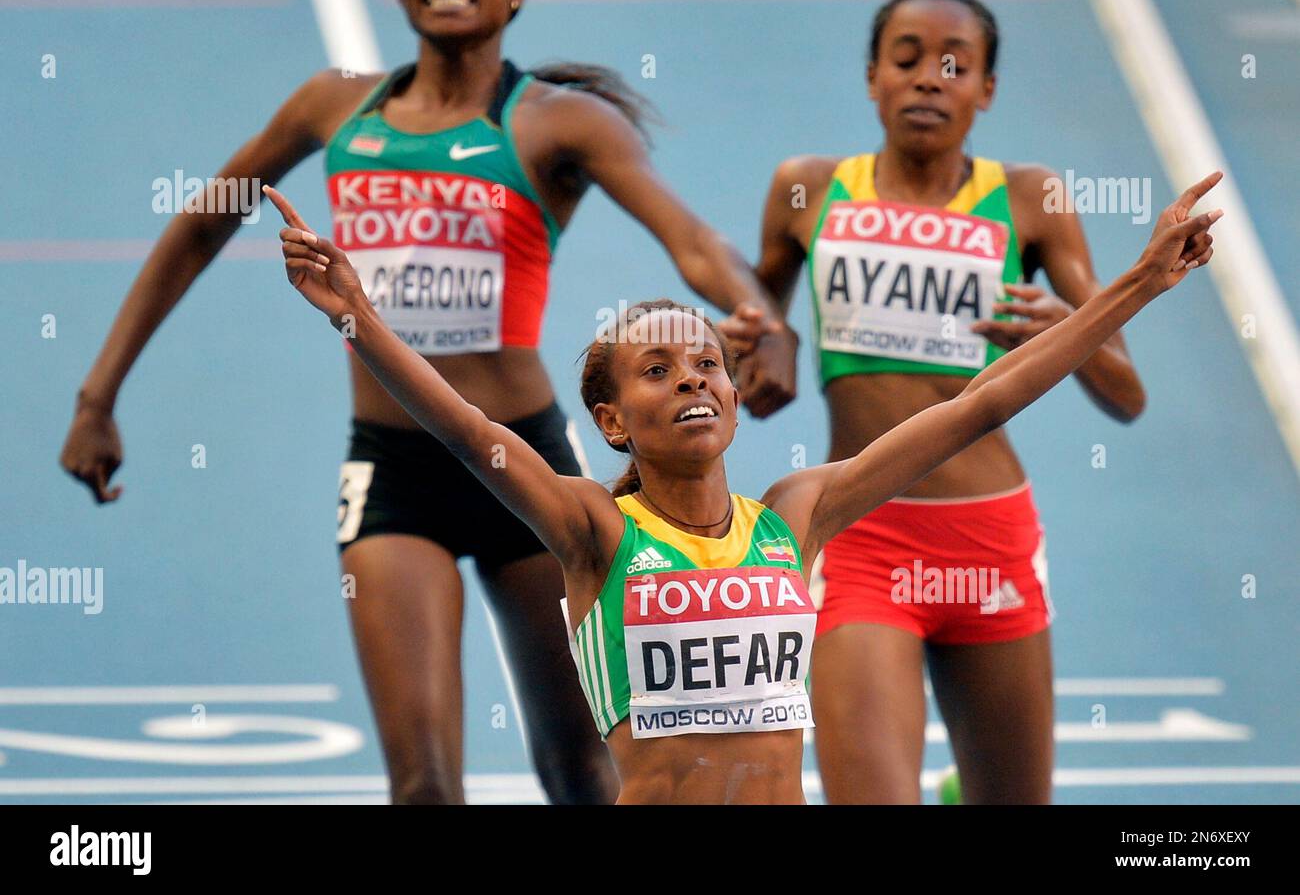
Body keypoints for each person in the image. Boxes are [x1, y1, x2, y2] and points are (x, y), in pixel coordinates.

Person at [58, 0, 796, 805]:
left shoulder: (555, 122)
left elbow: (691, 241)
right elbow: (202, 224)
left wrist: (755, 313)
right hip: (392, 469)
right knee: (423, 786)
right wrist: (99, 393)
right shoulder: (332, 108)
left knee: (583, 767)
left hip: (526, 466)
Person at [261, 166, 1221, 804]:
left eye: (707, 365)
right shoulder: (591, 526)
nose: (691, 379)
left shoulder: (797, 514)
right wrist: (358, 316)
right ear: (609, 421)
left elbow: (979, 404)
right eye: (657, 370)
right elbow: (469, 431)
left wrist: (1136, 284)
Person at [729, 0, 1159, 803]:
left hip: (988, 541)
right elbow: (757, 349)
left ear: (986, 91)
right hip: (859, 534)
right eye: (907, 58)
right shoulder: (809, 190)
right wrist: (753, 365)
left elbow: (1127, 394)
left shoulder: (1033, 199)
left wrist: (1064, 330)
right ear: (871, 78)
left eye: (956, 65)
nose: (930, 77)